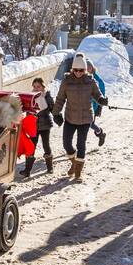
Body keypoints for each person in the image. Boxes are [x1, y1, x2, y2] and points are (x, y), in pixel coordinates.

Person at [53, 52, 106, 182]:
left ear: (85, 69)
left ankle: (78, 173)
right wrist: (56, 113)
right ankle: (74, 162)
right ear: (72, 69)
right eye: (75, 70)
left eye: (81, 70)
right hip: (70, 117)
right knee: (66, 144)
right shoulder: (66, 81)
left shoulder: (90, 81)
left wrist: (102, 100)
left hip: (86, 118)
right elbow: (60, 99)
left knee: (81, 144)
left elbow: (97, 95)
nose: (78, 72)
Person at [21, 76, 56, 177]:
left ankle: (50, 168)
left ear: (43, 87)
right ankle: (27, 171)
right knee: (31, 146)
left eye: (39, 86)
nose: (36, 89)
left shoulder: (46, 95)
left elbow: (52, 108)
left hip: (45, 125)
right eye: (35, 86)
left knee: (46, 145)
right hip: (33, 126)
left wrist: (57, 116)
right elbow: (26, 109)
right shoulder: (30, 96)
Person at [86, 61, 107, 148]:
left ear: (92, 68)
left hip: (93, 107)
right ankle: (100, 133)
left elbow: (102, 95)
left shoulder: (98, 81)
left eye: (89, 67)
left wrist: (100, 106)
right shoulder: (83, 78)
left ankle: (100, 133)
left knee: (90, 124)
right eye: (85, 67)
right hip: (83, 106)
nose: (87, 69)